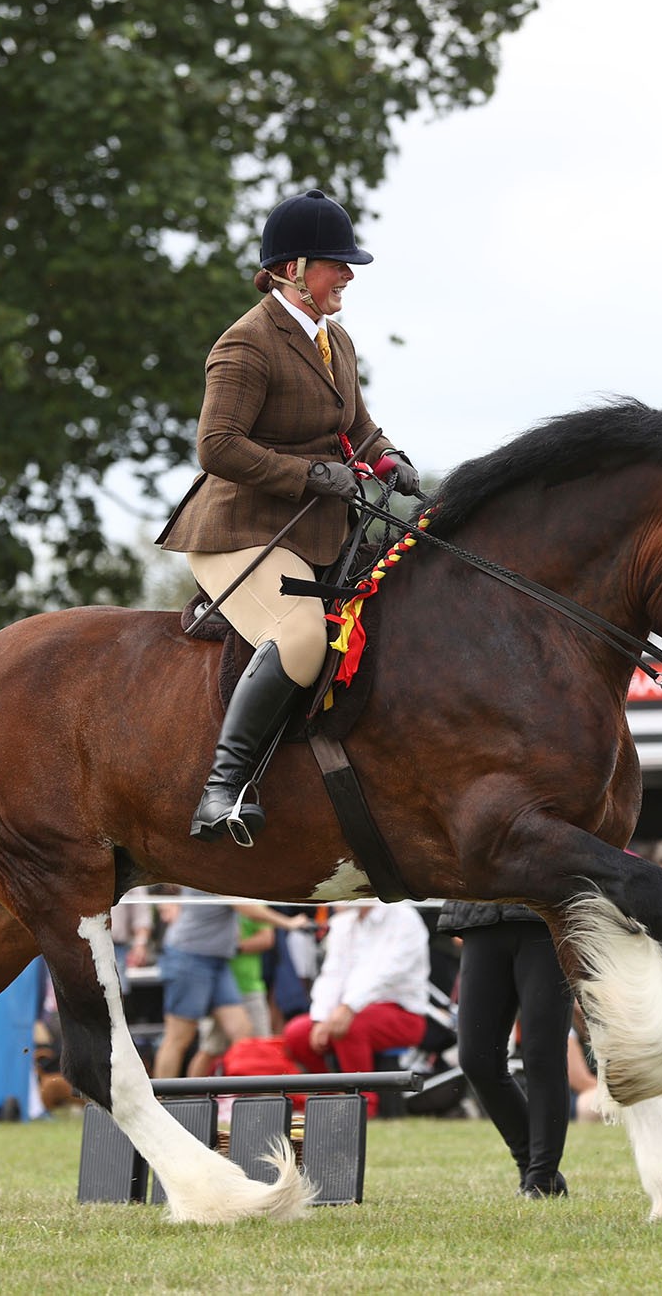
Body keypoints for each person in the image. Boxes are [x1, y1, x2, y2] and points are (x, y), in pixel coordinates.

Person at [156, 188, 419, 846]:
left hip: (315, 529)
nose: (349, 276)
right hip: (238, 531)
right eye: (338, 263)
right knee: (302, 638)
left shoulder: (337, 340)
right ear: (294, 268)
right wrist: (308, 474)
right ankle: (222, 789)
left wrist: (387, 459)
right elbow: (216, 446)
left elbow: (357, 428)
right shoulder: (246, 344)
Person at [437, 899, 573, 1198]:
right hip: (482, 910)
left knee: (543, 1055)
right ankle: (532, 1166)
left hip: (545, 913)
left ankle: (542, 1176)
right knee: (476, 1059)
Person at [283, 902, 431, 1116]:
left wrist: (348, 1007)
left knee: (349, 1027)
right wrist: (320, 1018)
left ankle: (363, 1107)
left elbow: (388, 972)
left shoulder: (405, 918)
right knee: (296, 1033)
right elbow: (332, 974)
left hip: (404, 1014)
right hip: (349, 1011)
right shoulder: (341, 924)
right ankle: (328, 1102)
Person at [152, 889, 306, 1079]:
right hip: (189, 958)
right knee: (179, 1038)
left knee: (243, 1033)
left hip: (218, 961)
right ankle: (161, 1099)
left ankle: (242, 1101)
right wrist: (289, 923)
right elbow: (247, 909)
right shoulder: (210, 870)